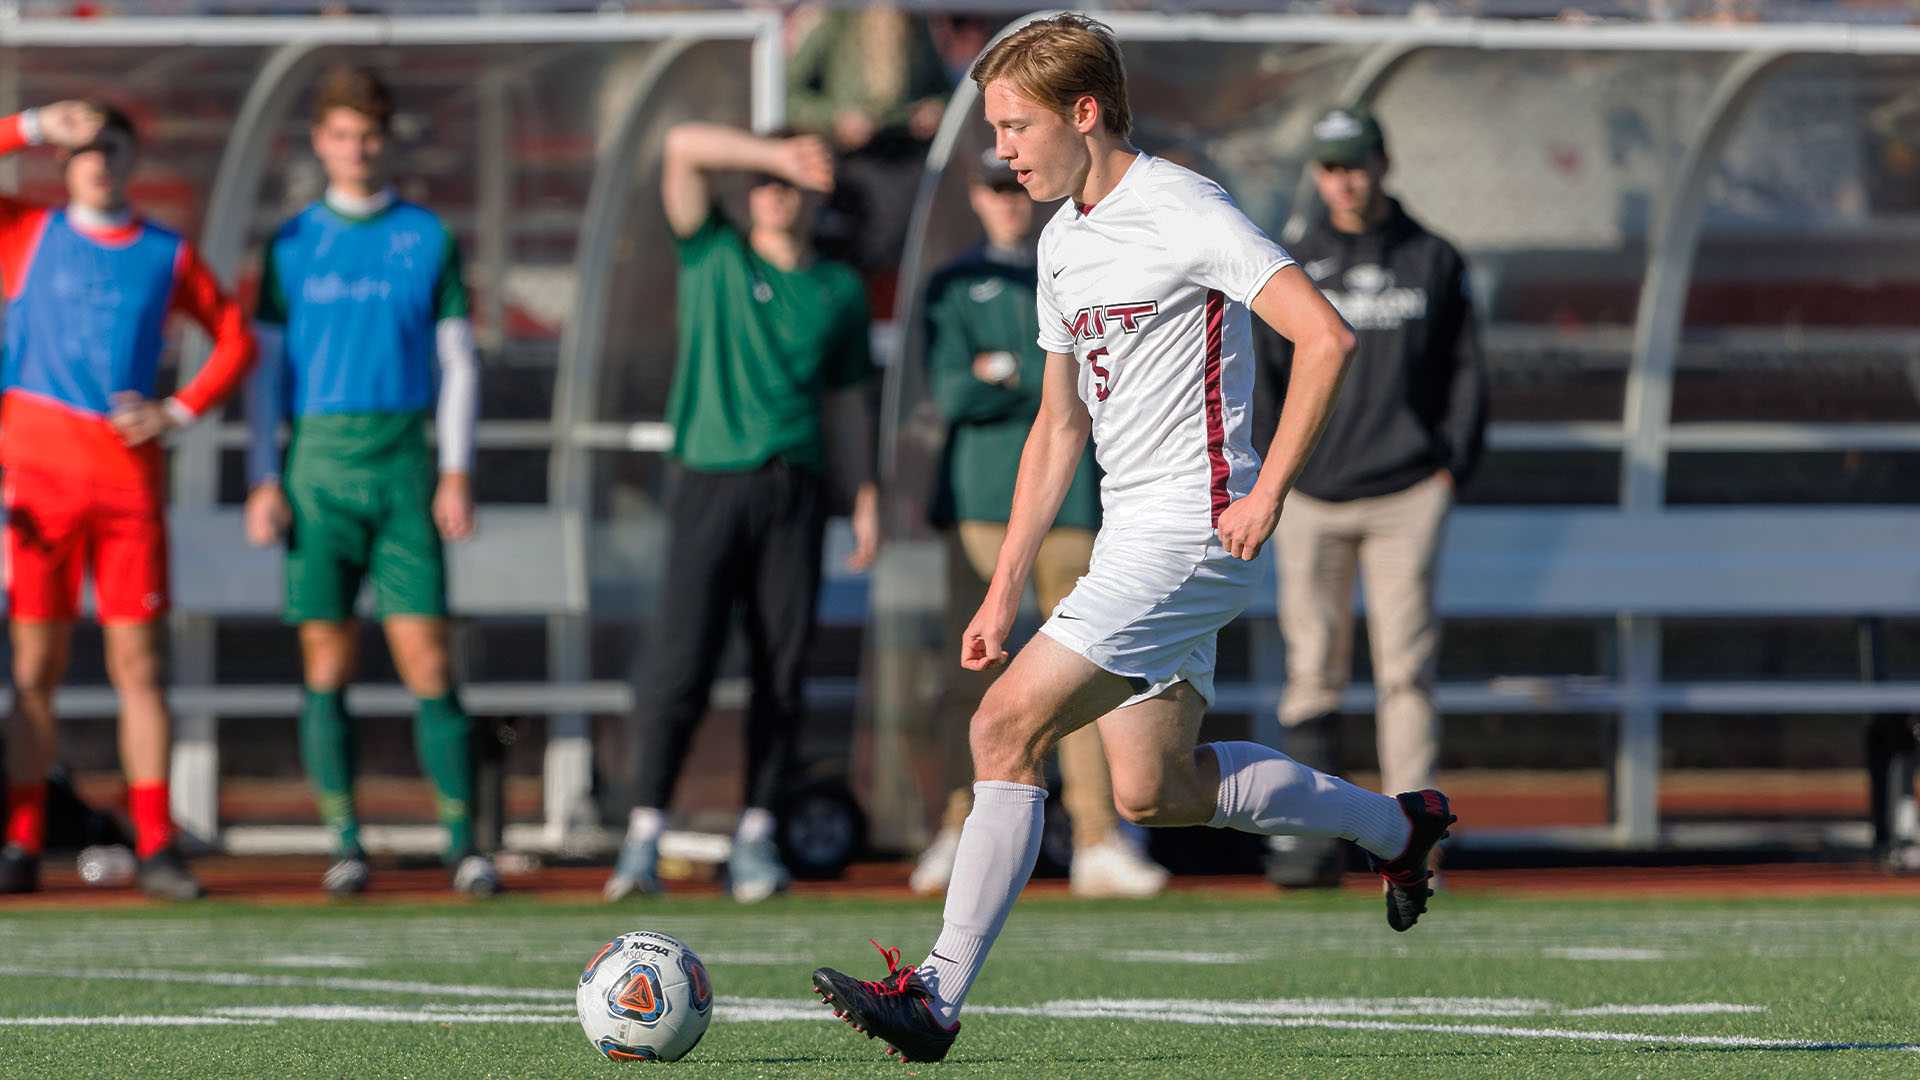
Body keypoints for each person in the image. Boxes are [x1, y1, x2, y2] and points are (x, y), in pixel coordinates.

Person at [808, 15, 1455, 1063]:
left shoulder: (1186, 208)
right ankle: (1399, 828)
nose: (1004, 149)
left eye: (1016, 127)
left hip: (1193, 536)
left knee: (1001, 729)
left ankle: (935, 994)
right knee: (1160, 790)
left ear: (1085, 111)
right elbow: (1059, 423)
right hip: (1126, 541)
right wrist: (1003, 582)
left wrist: (1269, 492)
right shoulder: (1062, 238)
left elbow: (1325, 338)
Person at [600, 122, 879, 906]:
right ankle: (644, 836)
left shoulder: (838, 290)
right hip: (709, 480)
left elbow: (849, 403)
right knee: (681, 663)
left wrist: (863, 497)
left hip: (794, 489)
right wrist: (771, 153)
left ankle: (757, 835)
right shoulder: (715, 251)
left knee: (781, 669)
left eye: (790, 178)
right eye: (763, 178)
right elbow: (680, 146)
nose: (774, 191)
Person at [243, 67, 494, 897]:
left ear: (388, 140)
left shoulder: (426, 235)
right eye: (342, 134)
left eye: (370, 134)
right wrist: (262, 477)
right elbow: (265, 373)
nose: (357, 148)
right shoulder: (289, 243)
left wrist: (454, 471)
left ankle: (465, 843)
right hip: (316, 468)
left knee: (426, 654)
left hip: (403, 465)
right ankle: (345, 840)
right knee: (327, 658)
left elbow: (458, 361)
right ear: (321, 142)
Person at [0, 101, 257, 899]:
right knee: (34, 669)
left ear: (131, 158)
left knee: (139, 667)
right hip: (38, 485)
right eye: (82, 149)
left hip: (125, 490)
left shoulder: (164, 253)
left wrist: (176, 411)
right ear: (62, 161)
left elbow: (236, 337)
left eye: (110, 147)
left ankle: (155, 842)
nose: (97, 160)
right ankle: (21, 840)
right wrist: (35, 123)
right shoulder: (27, 233)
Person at [911, 149, 1167, 900]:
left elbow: (1094, 382)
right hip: (981, 507)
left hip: (1078, 507)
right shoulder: (954, 284)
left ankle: (1097, 839)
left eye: (1014, 182)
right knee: (972, 672)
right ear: (974, 197)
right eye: (992, 186)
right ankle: (955, 830)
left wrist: (1010, 370)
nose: (1008, 199)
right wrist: (1034, 376)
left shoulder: (1080, 262)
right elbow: (956, 391)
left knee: (1081, 679)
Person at [1252, 106, 1486, 888]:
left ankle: (1412, 847)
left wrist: (1451, 466)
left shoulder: (1432, 257)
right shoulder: (1296, 259)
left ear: (1384, 164)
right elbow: (1268, 377)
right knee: (1312, 668)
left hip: (1407, 492)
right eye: (1329, 167)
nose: (1344, 181)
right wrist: (1278, 476)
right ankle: (1309, 843)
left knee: (1405, 674)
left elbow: (1466, 371)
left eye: (1355, 164)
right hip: (1314, 496)